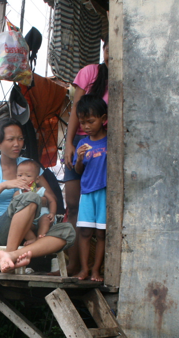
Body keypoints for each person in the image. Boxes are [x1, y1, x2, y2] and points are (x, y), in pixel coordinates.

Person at [0, 118, 75, 273]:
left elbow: (50, 197)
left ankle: (10, 256)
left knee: (68, 231)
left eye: (20, 139)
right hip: (1, 229)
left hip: (33, 227)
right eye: (11, 139)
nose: (17, 144)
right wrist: (3, 185)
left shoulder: (29, 165)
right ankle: (10, 255)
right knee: (29, 198)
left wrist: (34, 199)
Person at [63, 40, 109, 275]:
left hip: (102, 151)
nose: (111, 54)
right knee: (73, 206)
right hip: (80, 145)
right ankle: (74, 265)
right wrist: (69, 143)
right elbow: (76, 110)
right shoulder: (90, 72)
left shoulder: (124, 76)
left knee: (100, 224)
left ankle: (95, 268)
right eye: (108, 49)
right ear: (104, 50)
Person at [72, 95, 108, 281]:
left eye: (90, 121)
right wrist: (78, 158)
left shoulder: (110, 142)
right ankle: (85, 269)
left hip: (104, 192)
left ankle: (96, 270)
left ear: (103, 119)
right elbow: (79, 170)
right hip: (86, 192)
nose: (86, 126)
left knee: (102, 233)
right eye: (82, 122)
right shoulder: (82, 144)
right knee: (85, 232)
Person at [11, 159, 57, 244]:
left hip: (42, 216)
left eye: (28, 176)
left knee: (45, 220)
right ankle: (32, 238)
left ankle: (41, 238)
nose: (23, 178)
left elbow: (52, 201)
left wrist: (52, 213)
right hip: (27, 219)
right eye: (20, 175)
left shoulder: (41, 190)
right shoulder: (17, 194)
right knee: (21, 225)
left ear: (37, 179)